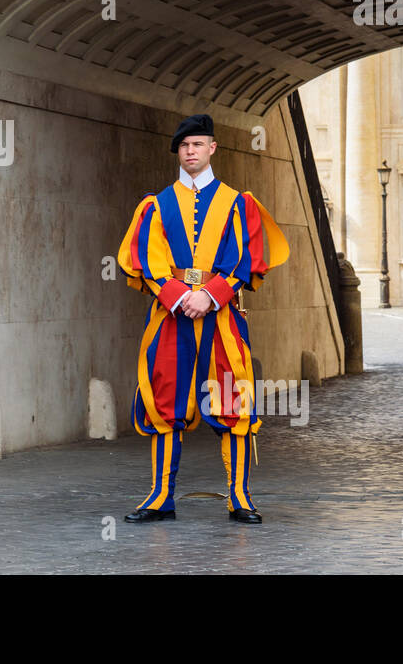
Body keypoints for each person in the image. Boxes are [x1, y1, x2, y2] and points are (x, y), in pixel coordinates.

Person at [116, 113, 289, 524]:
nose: (190, 152)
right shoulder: (155, 205)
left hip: (221, 318)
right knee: (165, 401)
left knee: (232, 401)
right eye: (184, 146)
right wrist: (180, 297)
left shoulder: (237, 202)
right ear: (178, 152)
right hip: (171, 317)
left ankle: (240, 497)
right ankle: (160, 497)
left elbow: (246, 257)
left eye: (197, 145)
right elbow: (147, 261)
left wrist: (210, 296)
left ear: (212, 149)